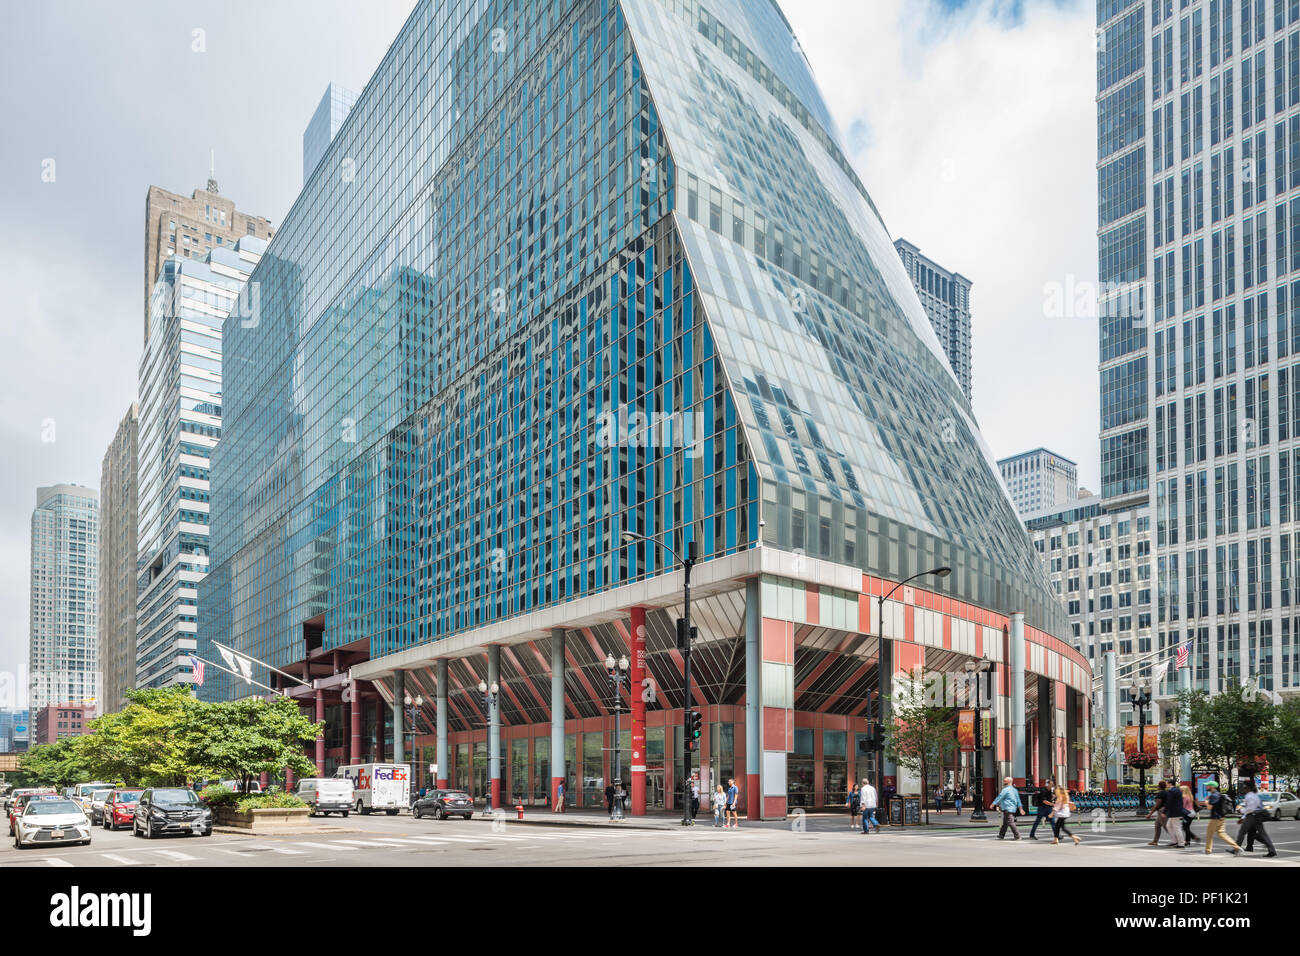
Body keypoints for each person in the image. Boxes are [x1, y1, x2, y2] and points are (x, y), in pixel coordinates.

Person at [1235, 781, 1278, 857]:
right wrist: (1242, 817)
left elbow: (1250, 809)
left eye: (1244, 787)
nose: (1243, 789)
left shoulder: (1249, 796)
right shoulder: (1255, 796)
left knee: (1242, 832)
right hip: (1257, 816)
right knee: (1263, 834)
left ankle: (1236, 849)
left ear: (1248, 788)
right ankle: (1272, 850)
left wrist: (1241, 811)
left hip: (1252, 816)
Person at [1202, 782, 1241, 856]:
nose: (1206, 787)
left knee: (1209, 834)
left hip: (1215, 818)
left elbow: (1210, 807)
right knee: (1221, 833)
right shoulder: (1218, 794)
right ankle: (1236, 847)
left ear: (1212, 787)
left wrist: (1206, 802)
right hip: (1221, 817)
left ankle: (1208, 850)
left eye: (1207, 786)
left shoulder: (1214, 795)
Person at [1162, 780, 1186, 847]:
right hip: (1176, 811)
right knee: (1169, 826)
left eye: (1167, 783)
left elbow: (1169, 802)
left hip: (1174, 812)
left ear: (1170, 784)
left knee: (1176, 827)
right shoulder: (1177, 790)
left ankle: (1181, 843)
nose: (1166, 785)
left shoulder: (1172, 791)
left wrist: (1164, 812)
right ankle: (1174, 841)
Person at [1146, 780, 1169, 845]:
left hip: (1162, 811)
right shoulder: (1166, 792)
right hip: (1163, 810)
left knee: (1166, 827)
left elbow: (1157, 805)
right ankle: (1155, 841)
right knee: (1157, 825)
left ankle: (1177, 840)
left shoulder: (1161, 793)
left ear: (1159, 786)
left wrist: (1150, 813)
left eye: (1158, 785)